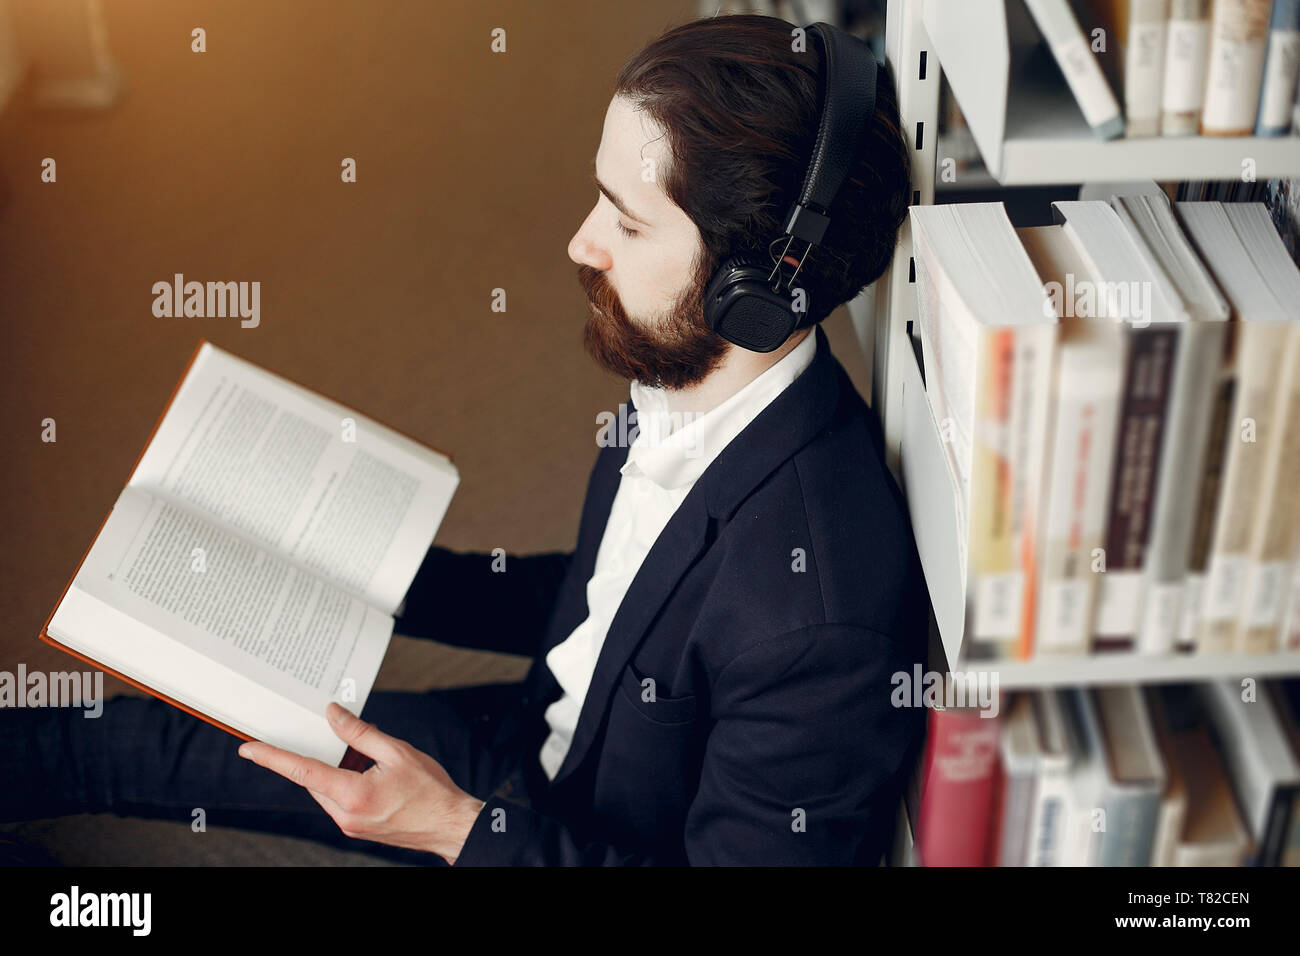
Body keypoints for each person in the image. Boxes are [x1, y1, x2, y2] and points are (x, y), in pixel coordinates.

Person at [2, 13, 925, 866]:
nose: (580, 242)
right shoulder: (695, 374)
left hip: (561, 834)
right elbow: (613, 603)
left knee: (176, 760)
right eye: (599, 197)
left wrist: (456, 829)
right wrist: (386, 573)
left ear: (752, 292)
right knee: (143, 738)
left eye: (628, 221)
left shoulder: (818, 623)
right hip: (546, 727)